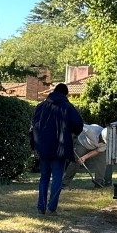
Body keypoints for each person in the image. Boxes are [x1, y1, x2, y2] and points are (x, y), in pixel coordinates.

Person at [30, 83, 84, 215]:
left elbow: (33, 126)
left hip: (43, 147)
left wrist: (35, 144)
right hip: (60, 148)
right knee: (57, 178)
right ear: (65, 94)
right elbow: (78, 124)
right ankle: (51, 208)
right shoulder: (67, 106)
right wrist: (71, 131)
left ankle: (40, 207)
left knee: (44, 178)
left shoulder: (41, 106)